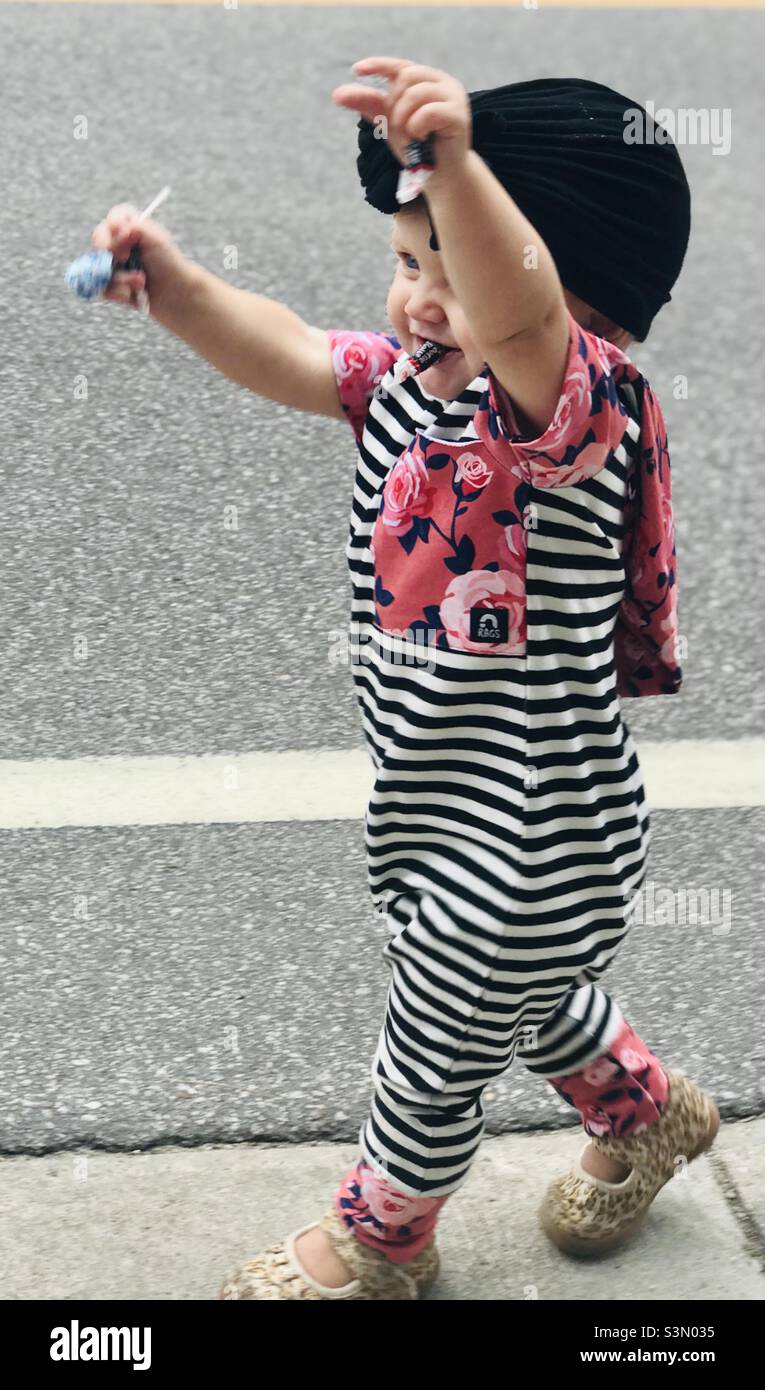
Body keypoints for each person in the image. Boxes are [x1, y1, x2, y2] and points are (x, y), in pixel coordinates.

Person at [91, 59, 718, 1301]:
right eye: (407, 261)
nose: (420, 299)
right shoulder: (421, 386)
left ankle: (382, 1244)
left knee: (435, 1036)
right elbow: (286, 347)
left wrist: (462, 172)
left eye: (446, 265)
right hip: (440, 796)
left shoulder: (573, 412)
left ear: (580, 295)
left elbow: (525, 312)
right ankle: (644, 1110)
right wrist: (179, 290)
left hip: (536, 823)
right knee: (520, 1000)